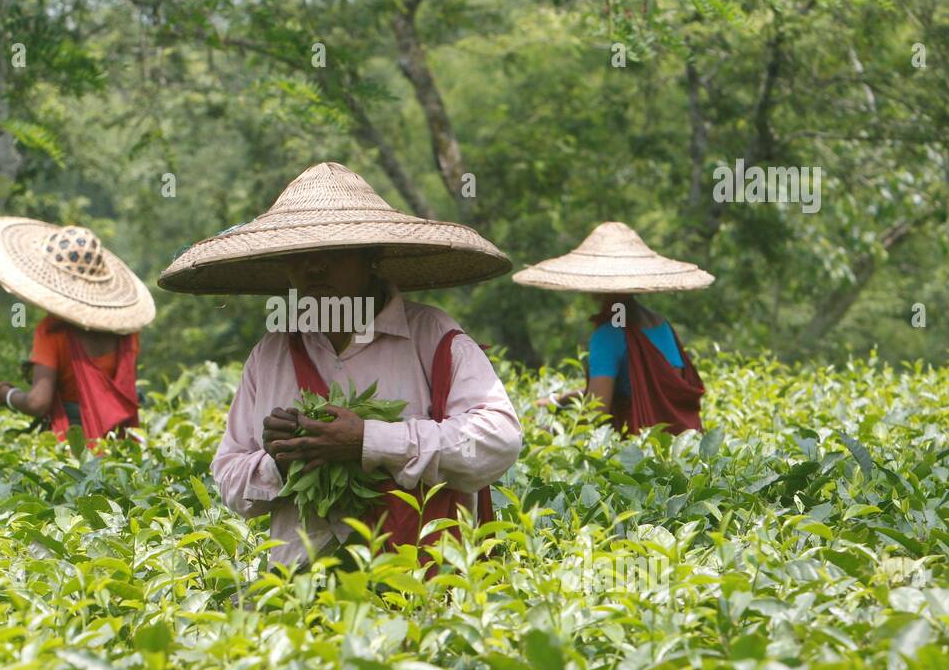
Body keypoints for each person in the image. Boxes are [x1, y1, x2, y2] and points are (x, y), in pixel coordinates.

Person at [159, 162, 522, 572]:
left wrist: (370, 440)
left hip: (419, 587)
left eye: (332, 253)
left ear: (371, 257)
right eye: (298, 256)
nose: (314, 268)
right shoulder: (271, 354)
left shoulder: (431, 336)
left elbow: (498, 440)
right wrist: (278, 461)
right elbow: (228, 479)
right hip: (301, 589)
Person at [512, 221, 712, 435]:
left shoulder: (608, 334)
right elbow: (640, 390)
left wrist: (550, 432)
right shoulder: (661, 324)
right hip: (685, 444)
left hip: (640, 453)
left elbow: (597, 413)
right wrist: (560, 400)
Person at [0, 217, 155, 441]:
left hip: (72, 445)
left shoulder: (52, 333)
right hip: (121, 441)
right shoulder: (126, 331)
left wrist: (5, 394)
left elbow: (38, 403)